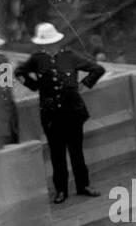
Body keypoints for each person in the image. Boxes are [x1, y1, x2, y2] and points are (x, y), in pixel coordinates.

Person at [14, 22, 105, 204]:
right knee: (57, 153)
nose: (49, 46)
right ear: (42, 44)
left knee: (76, 151)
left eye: (51, 42)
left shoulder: (69, 56)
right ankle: (61, 190)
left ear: (57, 41)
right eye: (46, 43)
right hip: (51, 114)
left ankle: (83, 185)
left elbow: (98, 69)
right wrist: (35, 86)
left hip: (72, 111)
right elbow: (18, 72)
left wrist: (84, 84)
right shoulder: (37, 59)